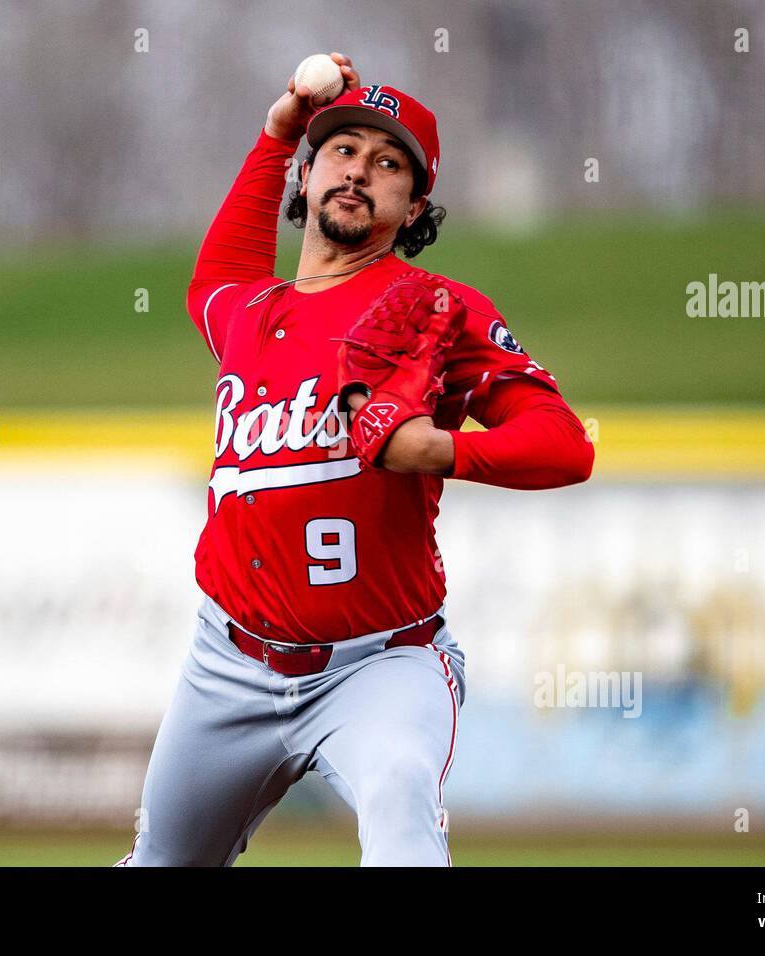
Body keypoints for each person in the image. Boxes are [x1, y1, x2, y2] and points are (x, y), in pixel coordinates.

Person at [118, 53, 593, 867]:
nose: (359, 172)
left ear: (413, 208)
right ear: (306, 178)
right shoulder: (245, 310)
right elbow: (216, 272)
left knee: (401, 804)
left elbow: (564, 444)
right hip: (226, 664)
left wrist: (441, 449)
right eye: (341, 151)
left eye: (388, 164)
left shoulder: (435, 309)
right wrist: (277, 131)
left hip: (381, 665)